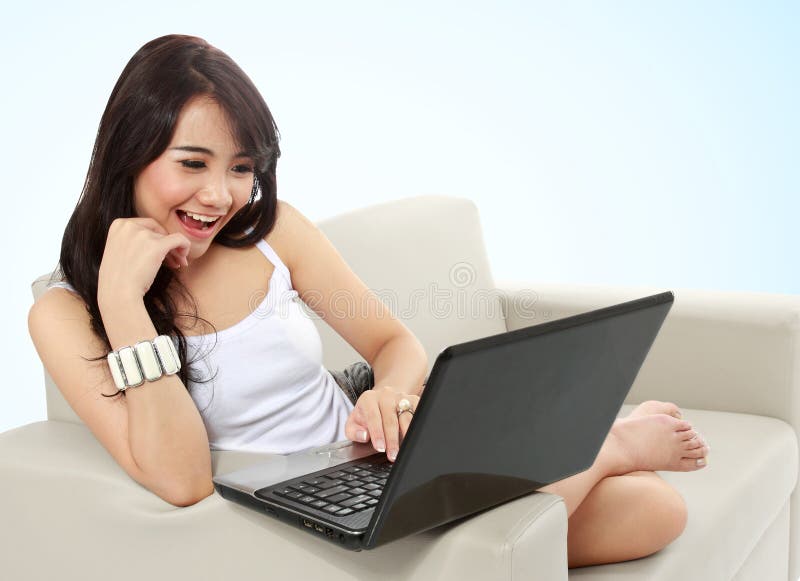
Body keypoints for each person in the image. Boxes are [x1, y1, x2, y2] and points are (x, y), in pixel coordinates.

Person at [27, 34, 709, 568]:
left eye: (241, 167)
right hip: (285, 517)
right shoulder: (66, 313)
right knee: (636, 510)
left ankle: (588, 453)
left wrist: (391, 394)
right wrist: (121, 303)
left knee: (655, 511)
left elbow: (392, 343)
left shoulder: (272, 233)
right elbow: (180, 479)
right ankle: (604, 445)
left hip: (366, 464)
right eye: (192, 162)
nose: (219, 195)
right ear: (128, 155)